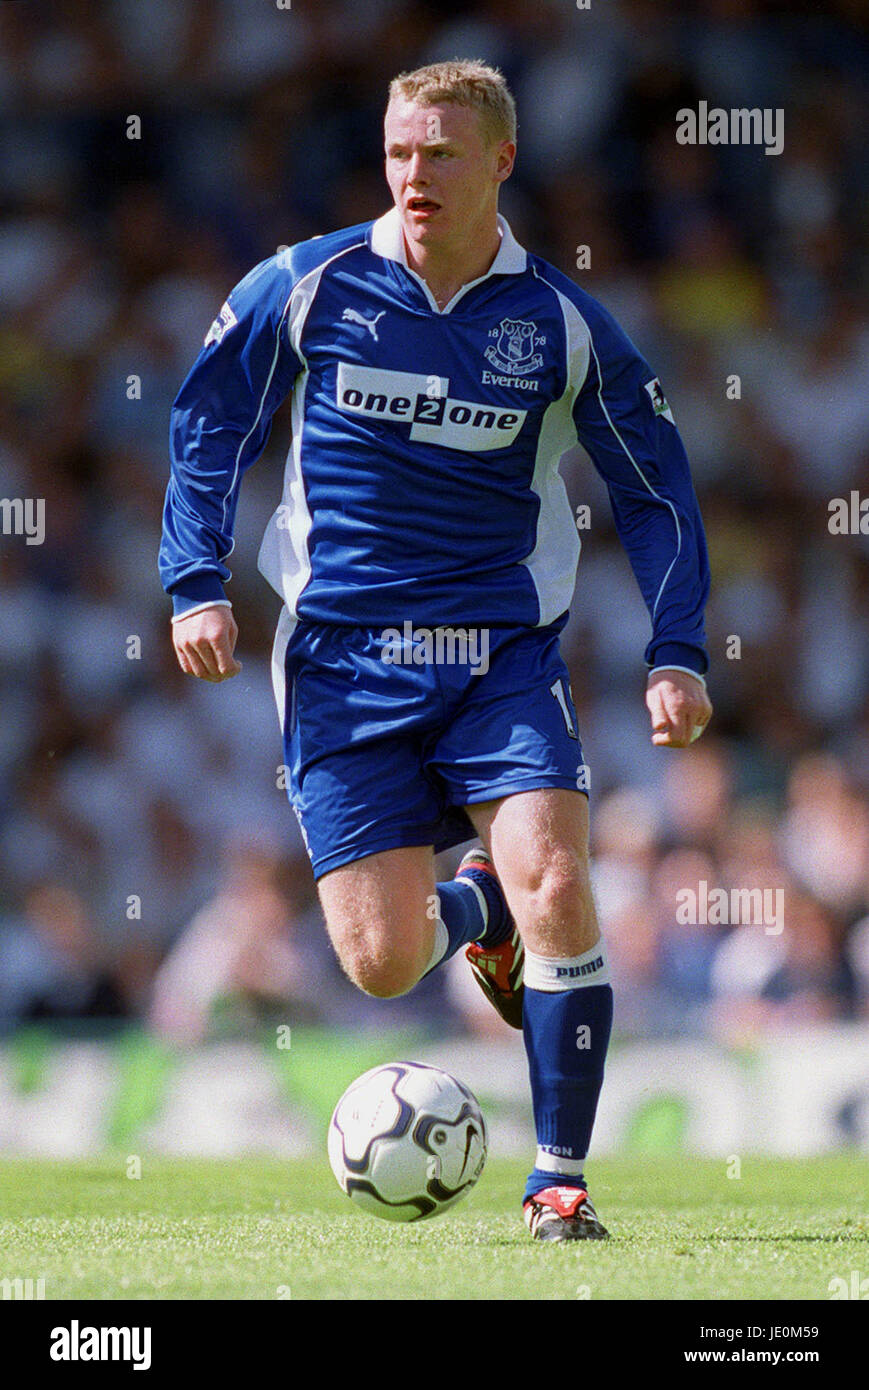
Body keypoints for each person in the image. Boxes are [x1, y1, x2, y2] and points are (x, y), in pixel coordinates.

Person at [159, 60, 712, 1241]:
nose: (415, 176)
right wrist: (192, 578)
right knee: (379, 960)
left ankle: (557, 1181)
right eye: (401, 152)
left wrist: (677, 649)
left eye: (443, 154)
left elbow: (654, 487)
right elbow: (209, 419)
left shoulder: (558, 323)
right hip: (341, 662)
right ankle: (476, 914)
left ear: (500, 163)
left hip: (497, 654)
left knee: (559, 881)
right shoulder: (305, 284)